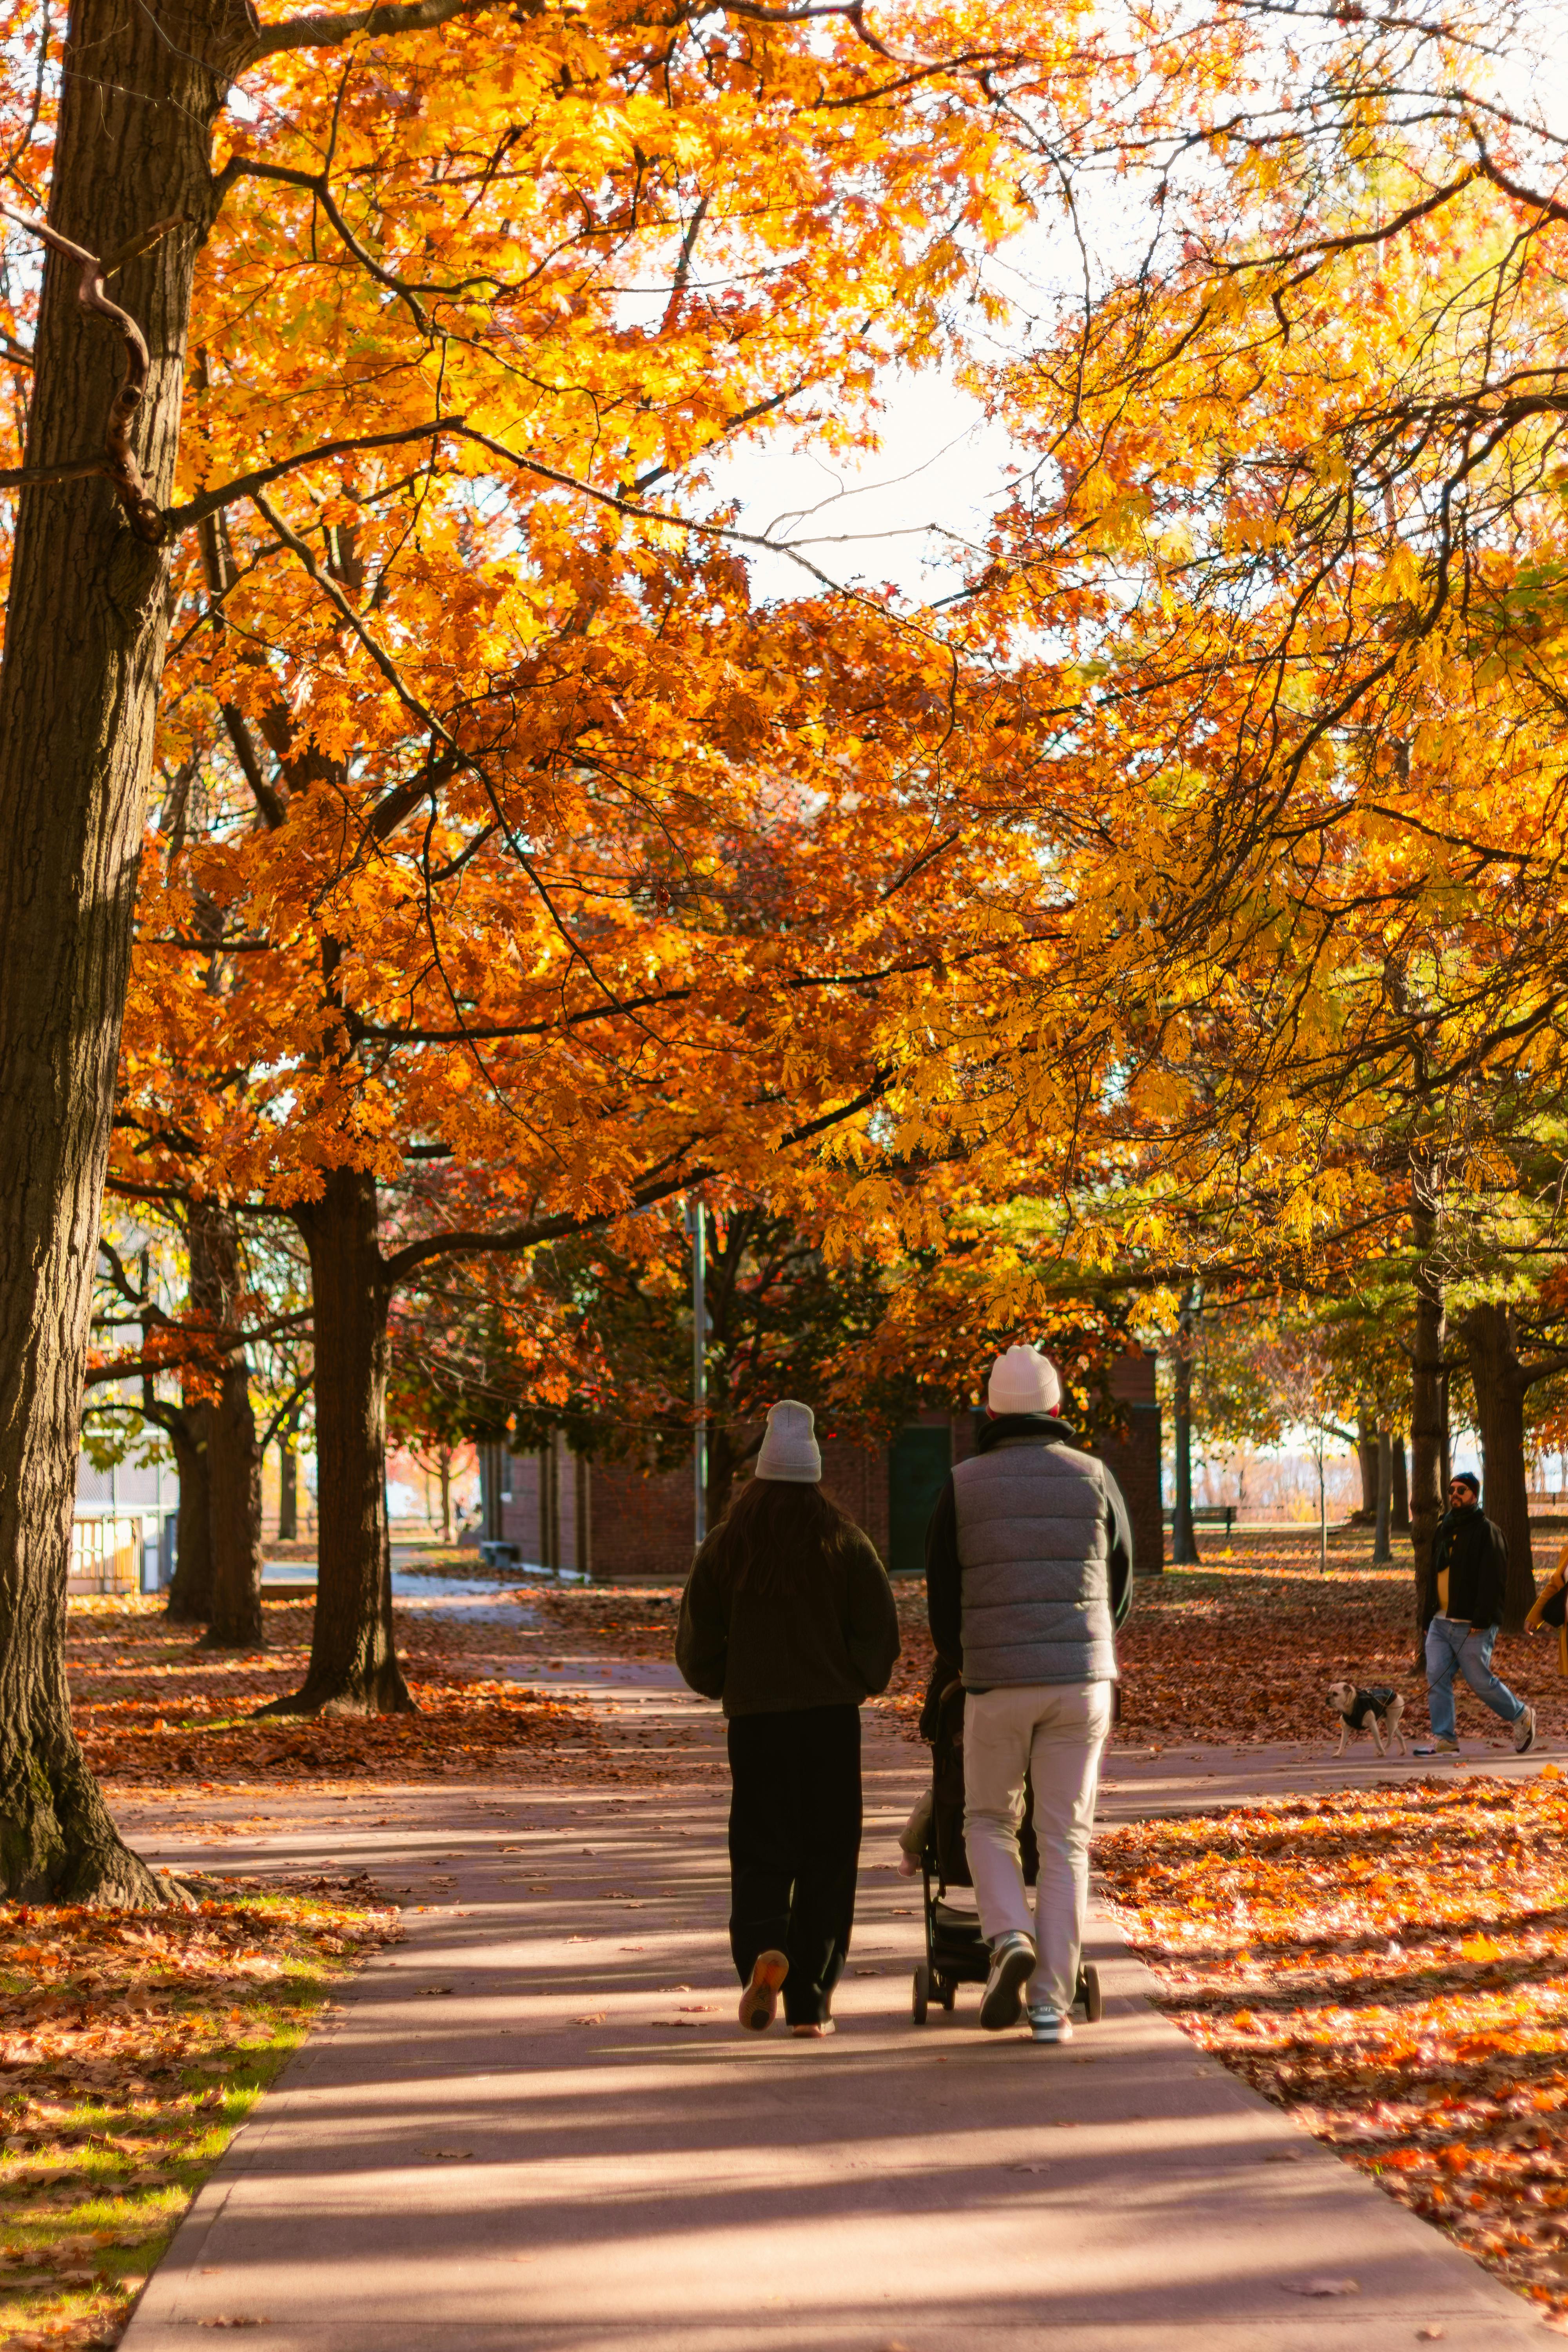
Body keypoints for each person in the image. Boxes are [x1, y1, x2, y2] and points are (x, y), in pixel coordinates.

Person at [926, 1342, 1133, 2046]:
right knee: (1065, 1838)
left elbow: (941, 1596)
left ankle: (1008, 1935)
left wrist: (967, 1661)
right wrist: (1089, 1641)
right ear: (1056, 1409)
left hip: (994, 1682)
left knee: (986, 1820)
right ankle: (1051, 2005)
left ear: (988, 1410)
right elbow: (1121, 1581)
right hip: (1081, 1682)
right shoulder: (1095, 1478)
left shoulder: (963, 1483)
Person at [675, 1399, 900, 2038]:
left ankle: (763, 1952)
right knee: (829, 1856)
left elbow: (697, 1647)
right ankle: (810, 2001)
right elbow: (879, 1638)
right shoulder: (847, 1545)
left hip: (756, 1724)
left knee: (760, 1849)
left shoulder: (725, 1546)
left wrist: (729, 1683)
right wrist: (856, 1681)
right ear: (815, 1473)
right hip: (831, 1721)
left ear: (761, 1474)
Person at [1419, 1470, 1535, 1756]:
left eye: (1462, 1490)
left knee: (1480, 1681)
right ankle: (1446, 1738)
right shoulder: (1444, 1528)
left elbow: (1494, 1579)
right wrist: (1426, 1617)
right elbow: (1432, 1576)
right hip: (1440, 1621)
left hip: (1472, 1623)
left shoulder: (1487, 1531)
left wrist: (1482, 1618)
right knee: (1436, 1676)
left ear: (1474, 1495)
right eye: (1452, 1490)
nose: (1455, 1495)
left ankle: (1521, 1715)